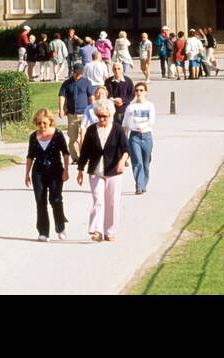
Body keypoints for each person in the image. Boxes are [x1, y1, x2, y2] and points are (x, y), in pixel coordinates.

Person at [76, 98, 128, 242]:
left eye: (104, 116)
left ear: (110, 114)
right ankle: (97, 231)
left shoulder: (117, 129)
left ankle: (109, 231)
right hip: (96, 170)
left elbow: (125, 148)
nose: (102, 119)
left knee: (112, 202)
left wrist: (122, 161)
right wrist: (80, 170)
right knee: (98, 200)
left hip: (113, 171)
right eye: (99, 116)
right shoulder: (92, 130)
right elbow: (85, 151)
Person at [24, 109, 69, 241]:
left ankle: (60, 227)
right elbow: (30, 156)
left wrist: (66, 170)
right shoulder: (33, 136)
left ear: (50, 121)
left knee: (55, 199)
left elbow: (65, 153)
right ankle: (43, 231)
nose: (42, 126)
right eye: (39, 124)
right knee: (40, 201)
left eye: (44, 123)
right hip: (38, 172)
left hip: (55, 171)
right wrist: (27, 174)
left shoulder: (58, 134)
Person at [122, 82, 156, 195]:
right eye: (136, 90)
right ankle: (139, 186)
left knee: (146, 162)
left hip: (146, 136)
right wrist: (123, 141)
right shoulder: (131, 107)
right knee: (137, 161)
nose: (139, 93)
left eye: (141, 90)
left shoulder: (149, 105)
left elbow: (151, 121)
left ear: (145, 92)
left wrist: (144, 126)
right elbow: (125, 125)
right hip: (134, 136)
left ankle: (143, 183)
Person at [58, 61, 94, 160]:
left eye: (80, 73)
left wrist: (93, 110)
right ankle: (75, 158)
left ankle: (85, 156)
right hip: (72, 114)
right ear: (73, 72)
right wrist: (61, 109)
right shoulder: (67, 83)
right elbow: (62, 96)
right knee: (73, 137)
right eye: (76, 72)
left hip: (85, 114)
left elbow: (91, 97)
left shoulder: (86, 82)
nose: (78, 75)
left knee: (84, 136)